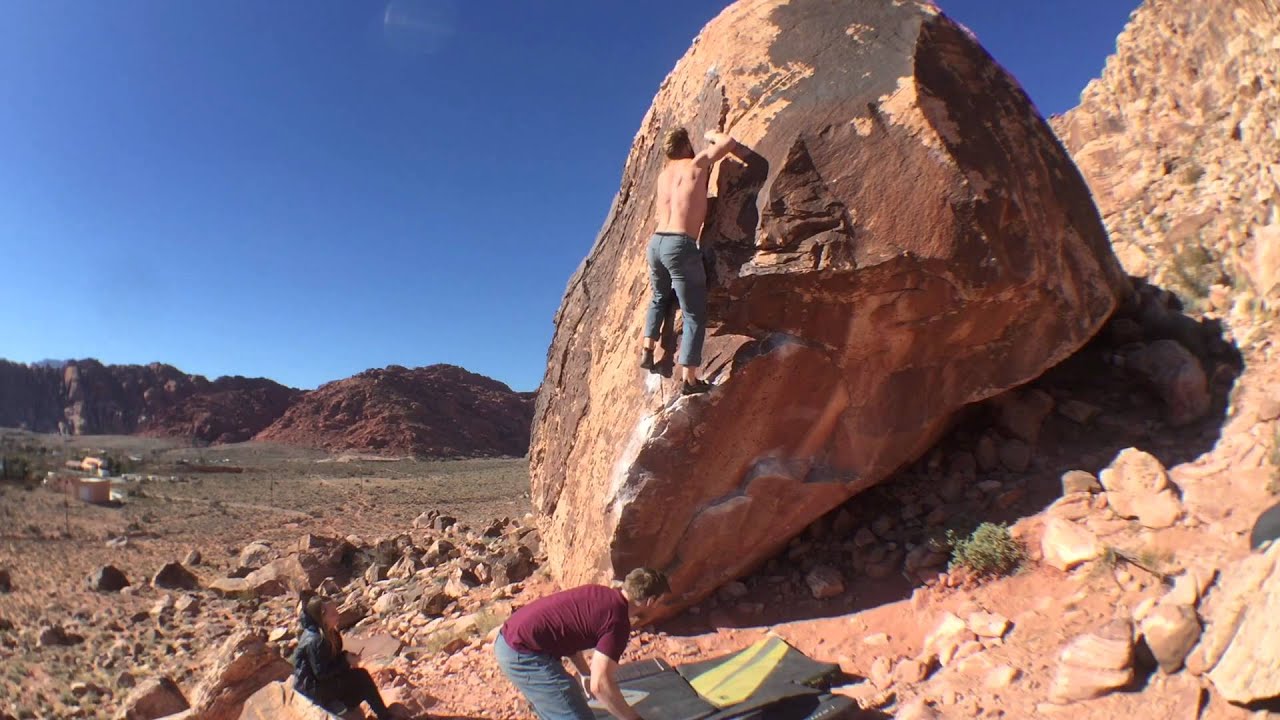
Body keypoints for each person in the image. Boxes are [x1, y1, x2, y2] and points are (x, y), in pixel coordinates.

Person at [494, 567, 671, 720]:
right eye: (660, 601)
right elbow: (600, 685)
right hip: (522, 652)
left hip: (511, 639)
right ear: (650, 600)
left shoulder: (599, 593)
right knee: (570, 707)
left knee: (561, 702)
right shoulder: (617, 622)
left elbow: (570, 633)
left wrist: (584, 673)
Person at [641, 127, 740, 395]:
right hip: (680, 244)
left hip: (656, 243)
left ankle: (647, 350)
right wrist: (710, 133)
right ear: (685, 145)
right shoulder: (696, 163)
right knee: (694, 313)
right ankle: (690, 380)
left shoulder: (663, 176)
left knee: (659, 296)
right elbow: (727, 143)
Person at [292, 595, 396, 720]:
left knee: (357, 677)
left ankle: (342, 704)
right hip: (313, 689)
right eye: (333, 614)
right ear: (322, 617)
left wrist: (345, 656)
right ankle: (383, 716)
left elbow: (329, 660)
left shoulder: (328, 632)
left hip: (321, 683)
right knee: (361, 677)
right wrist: (345, 661)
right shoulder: (316, 641)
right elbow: (321, 673)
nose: (338, 615)